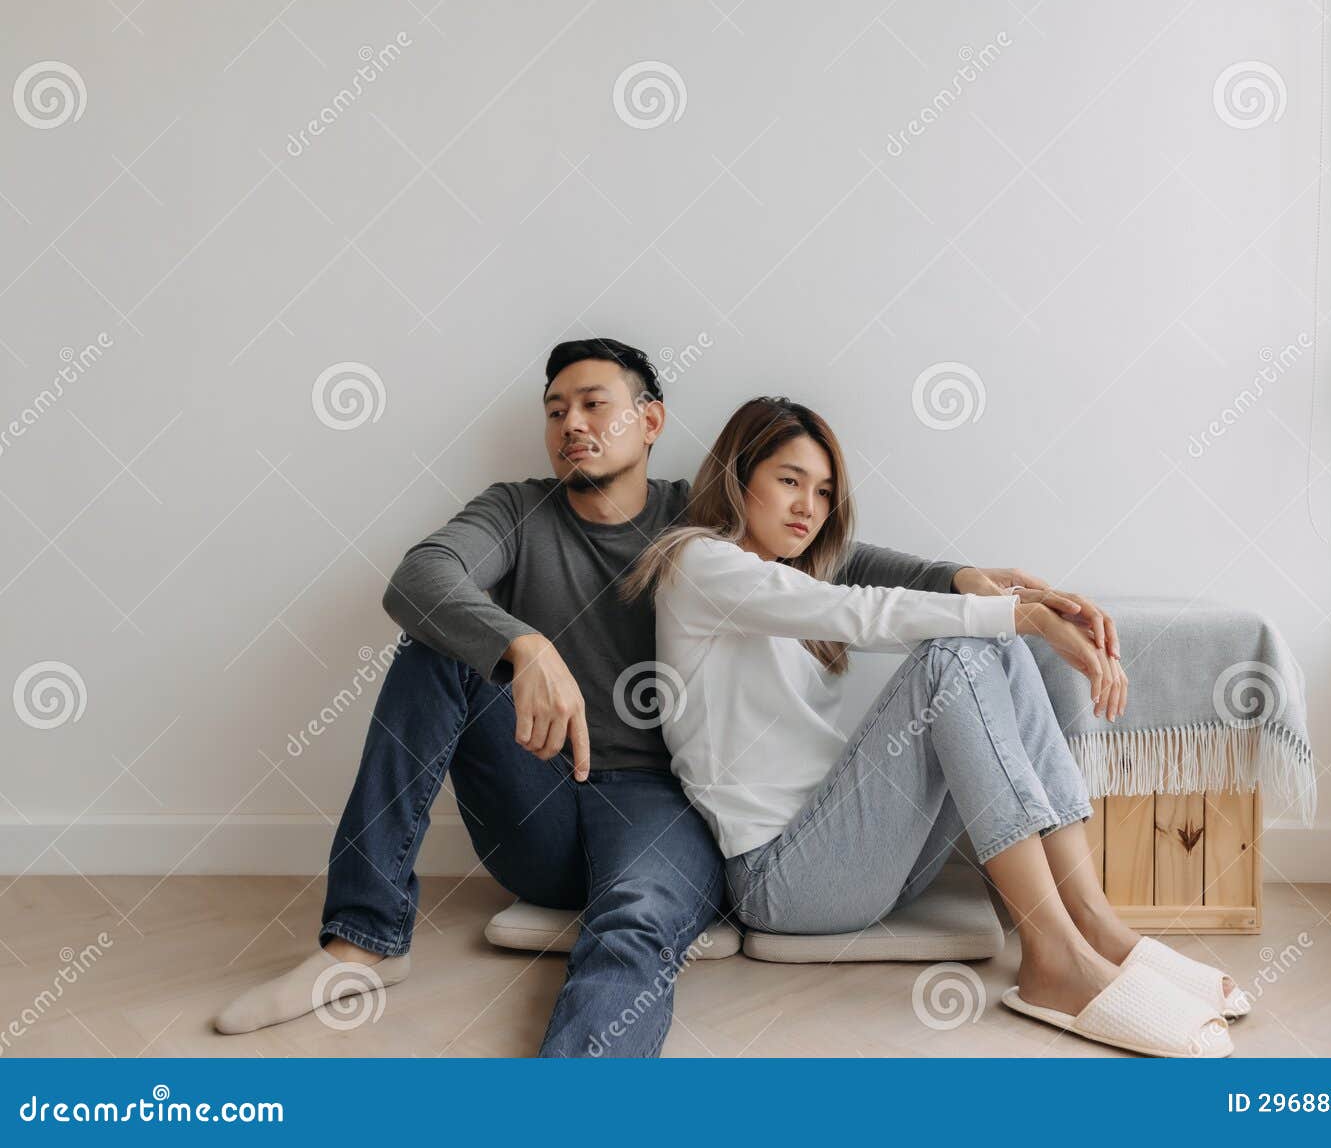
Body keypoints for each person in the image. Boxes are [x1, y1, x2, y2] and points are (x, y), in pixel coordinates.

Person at [211, 339, 1092, 1056]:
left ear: (650, 420)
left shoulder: (698, 522)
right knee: (430, 650)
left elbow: (834, 566)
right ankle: (361, 943)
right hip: (539, 796)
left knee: (635, 928)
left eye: (595, 404)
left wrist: (961, 577)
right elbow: (420, 578)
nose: (573, 425)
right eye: (557, 410)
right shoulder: (515, 512)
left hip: (659, 802)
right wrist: (522, 646)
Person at [623, 395, 1245, 1057]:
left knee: (995, 645)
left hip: (858, 860)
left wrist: (1016, 614)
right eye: (789, 481)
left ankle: (1094, 925)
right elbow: (860, 613)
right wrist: (1018, 613)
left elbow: (884, 600)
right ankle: (1054, 956)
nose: (809, 505)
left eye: (824, 491)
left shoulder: (783, 575)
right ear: (736, 476)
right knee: (958, 650)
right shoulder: (697, 565)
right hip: (782, 880)